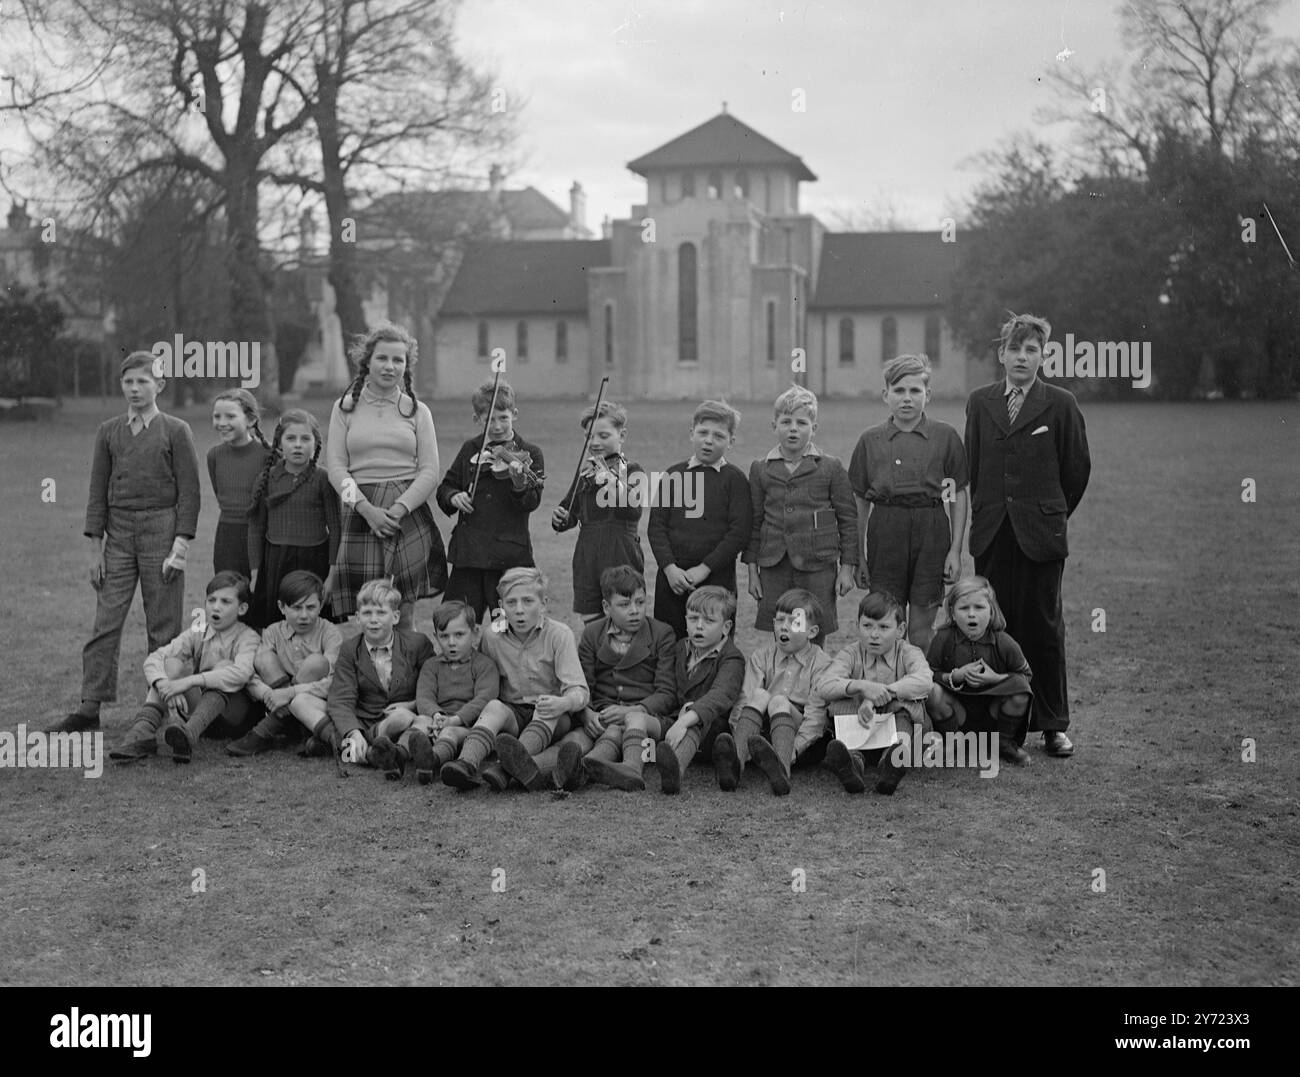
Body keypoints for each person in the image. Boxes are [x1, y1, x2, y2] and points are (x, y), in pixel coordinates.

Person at [53, 351, 201, 734]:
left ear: (160, 385)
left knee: (163, 625)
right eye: (128, 382)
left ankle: (159, 705)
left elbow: (190, 494)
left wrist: (180, 546)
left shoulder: (176, 430)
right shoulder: (109, 431)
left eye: (143, 382)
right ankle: (89, 706)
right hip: (118, 535)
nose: (135, 389)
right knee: (106, 621)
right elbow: (96, 493)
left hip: (162, 531)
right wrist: (94, 550)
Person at [965, 313, 1090, 757]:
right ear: (1001, 354)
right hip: (993, 533)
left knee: (1043, 627)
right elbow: (974, 468)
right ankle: (1006, 727)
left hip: (1042, 536)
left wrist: (1047, 515)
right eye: (1014, 349)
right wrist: (993, 513)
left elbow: (1076, 471)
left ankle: (1053, 724)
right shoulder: (980, 402)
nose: (1022, 357)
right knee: (997, 628)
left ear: (1044, 355)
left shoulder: (1060, 403)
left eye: (1031, 349)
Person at [326, 323, 446, 632]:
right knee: (368, 612)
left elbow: (430, 471)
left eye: (398, 360)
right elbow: (337, 468)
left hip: (406, 515)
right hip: (361, 514)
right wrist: (367, 510)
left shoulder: (418, 412)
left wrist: (398, 509)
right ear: (367, 361)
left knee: (403, 614)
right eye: (382, 358)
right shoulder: (343, 409)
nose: (390, 366)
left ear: (407, 366)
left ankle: (405, 676)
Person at [848, 354, 968, 651]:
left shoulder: (945, 436)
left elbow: (957, 495)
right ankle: (887, 692)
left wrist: (954, 550)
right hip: (887, 529)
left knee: (919, 630)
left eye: (915, 391)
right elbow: (860, 501)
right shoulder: (870, 440)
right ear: (885, 394)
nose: (906, 398)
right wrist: (859, 555)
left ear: (928, 395)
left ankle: (919, 692)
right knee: (887, 620)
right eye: (899, 390)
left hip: (931, 529)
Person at [744, 385, 856, 648]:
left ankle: (813, 683)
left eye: (801, 422)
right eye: (786, 421)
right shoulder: (760, 469)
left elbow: (848, 519)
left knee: (813, 630)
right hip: (774, 565)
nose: (793, 428)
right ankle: (784, 683)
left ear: (814, 428)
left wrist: (847, 568)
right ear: (774, 426)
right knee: (783, 629)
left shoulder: (831, 467)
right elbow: (754, 521)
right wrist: (752, 571)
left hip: (818, 566)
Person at [108, 571, 260, 764]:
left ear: (242, 608)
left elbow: (241, 674)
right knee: (170, 663)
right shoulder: (198, 630)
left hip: (234, 719)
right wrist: (165, 685)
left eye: (225, 602)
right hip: (201, 716)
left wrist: (185, 683)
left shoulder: (249, 637)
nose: (216, 607)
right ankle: (142, 733)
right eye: (211, 600)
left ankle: (188, 733)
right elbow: (155, 657)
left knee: (224, 667)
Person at [555, 565, 678, 793]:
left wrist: (635, 709)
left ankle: (593, 770)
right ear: (606, 607)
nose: (634, 611)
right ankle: (535, 767)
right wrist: (586, 713)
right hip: (602, 715)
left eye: (640, 603)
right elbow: (583, 685)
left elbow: (667, 693)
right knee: (575, 739)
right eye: (624, 604)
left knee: (619, 728)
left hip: (647, 720)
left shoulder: (662, 633)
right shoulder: (593, 633)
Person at [436, 379, 545, 622]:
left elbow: (532, 501)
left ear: (514, 414)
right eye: (488, 420)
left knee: (509, 627)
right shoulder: (470, 449)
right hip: (469, 557)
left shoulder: (530, 453)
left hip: (510, 557)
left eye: (503, 418)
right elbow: (445, 487)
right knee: (455, 621)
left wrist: (519, 484)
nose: (496, 426)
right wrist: (454, 496)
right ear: (477, 419)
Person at [712, 588, 835, 796]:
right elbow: (743, 700)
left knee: (779, 700)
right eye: (779, 620)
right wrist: (739, 734)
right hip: (765, 732)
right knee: (759, 695)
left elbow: (816, 716)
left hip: (804, 740)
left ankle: (782, 769)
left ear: (812, 632)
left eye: (794, 623)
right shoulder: (761, 657)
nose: (783, 627)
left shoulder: (822, 663)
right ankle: (737, 762)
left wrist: (795, 748)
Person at [647, 399, 752, 640]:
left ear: (731, 442)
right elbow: (657, 527)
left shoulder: (735, 480)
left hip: (716, 578)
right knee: (671, 642)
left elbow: (738, 533)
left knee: (714, 641)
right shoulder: (673, 474)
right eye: (703, 433)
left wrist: (704, 569)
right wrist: (670, 568)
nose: (709, 440)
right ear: (691, 434)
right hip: (672, 581)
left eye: (718, 436)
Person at [481, 568, 589, 792]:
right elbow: (485, 683)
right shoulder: (491, 636)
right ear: (501, 606)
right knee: (493, 707)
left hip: (553, 716)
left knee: (545, 707)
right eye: (511, 603)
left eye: (528, 601)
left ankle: (503, 768)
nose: (519, 610)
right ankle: (465, 764)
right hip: (515, 714)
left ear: (543, 604)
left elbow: (579, 690)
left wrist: (564, 703)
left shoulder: (560, 634)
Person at [818, 591, 934, 796]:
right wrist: (860, 686)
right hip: (862, 726)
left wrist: (882, 693)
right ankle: (852, 764)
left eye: (883, 627)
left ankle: (893, 762)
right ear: (857, 626)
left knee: (904, 709)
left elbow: (925, 680)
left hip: (897, 728)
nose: (874, 634)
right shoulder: (850, 653)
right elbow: (825, 685)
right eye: (867, 626)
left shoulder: (908, 652)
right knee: (843, 706)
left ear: (900, 630)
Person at [320, 578, 437, 776]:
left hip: (406, 718)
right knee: (303, 704)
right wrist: (353, 732)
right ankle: (366, 748)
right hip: (367, 721)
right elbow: (341, 698)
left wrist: (411, 705)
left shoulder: (418, 644)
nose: (373, 620)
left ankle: (391, 753)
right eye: (367, 613)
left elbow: (434, 685)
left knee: (412, 720)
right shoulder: (350, 649)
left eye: (381, 612)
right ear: (357, 617)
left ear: (396, 616)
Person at [227, 570, 343, 757]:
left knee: (316, 663)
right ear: (281, 607)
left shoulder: (330, 634)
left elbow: (333, 683)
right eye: (297, 608)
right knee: (262, 658)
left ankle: (267, 730)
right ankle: (292, 723)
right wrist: (269, 695)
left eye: (311, 607)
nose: (304, 615)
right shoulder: (272, 632)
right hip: (275, 696)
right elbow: (251, 673)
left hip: (314, 700)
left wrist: (289, 693)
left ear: (321, 605)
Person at [551, 400, 645, 621]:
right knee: (592, 620)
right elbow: (570, 511)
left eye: (603, 436)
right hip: (588, 554)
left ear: (621, 436)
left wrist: (611, 482)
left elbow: (633, 509)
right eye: (589, 436)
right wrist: (561, 518)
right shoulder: (586, 473)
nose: (594, 442)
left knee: (624, 618)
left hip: (621, 552)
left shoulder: (632, 470)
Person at [925, 576, 1033, 766]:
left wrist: (996, 678)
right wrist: (955, 676)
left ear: (991, 612)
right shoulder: (943, 639)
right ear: (952, 612)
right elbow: (927, 673)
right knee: (932, 690)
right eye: (964, 608)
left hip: (993, 714)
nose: (971, 614)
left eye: (979, 607)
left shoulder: (1004, 642)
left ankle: (1003, 742)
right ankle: (952, 741)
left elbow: (1025, 676)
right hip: (958, 713)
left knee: (1020, 691)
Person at [246, 409, 339, 630]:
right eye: (291, 438)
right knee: (278, 623)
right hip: (276, 560)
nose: (298, 445)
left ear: (316, 444)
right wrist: (255, 573)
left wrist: (332, 575)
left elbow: (336, 529)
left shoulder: (324, 479)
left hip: (315, 560)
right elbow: (255, 528)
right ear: (279, 444)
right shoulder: (267, 479)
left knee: (312, 621)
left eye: (305, 439)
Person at [653, 586, 746, 795]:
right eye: (693, 619)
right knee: (644, 726)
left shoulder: (732, 657)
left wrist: (687, 718)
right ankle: (636, 757)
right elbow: (666, 688)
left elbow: (720, 696)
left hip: (713, 733)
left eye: (709, 621)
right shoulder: (679, 648)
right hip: (675, 723)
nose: (699, 626)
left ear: (726, 627)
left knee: (700, 719)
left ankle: (675, 769)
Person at [397, 601, 499, 787]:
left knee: (449, 732)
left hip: (467, 727)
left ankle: (432, 761)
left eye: (459, 635)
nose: (451, 642)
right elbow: (424, 696)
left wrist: (455, 720)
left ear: (475, 633)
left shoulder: (484, 665)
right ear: (436, 637)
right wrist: (436, 715)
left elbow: (484, 699)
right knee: (421, 721)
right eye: (444, 636)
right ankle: (398, 755)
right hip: (437, 720)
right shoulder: (431, 666)